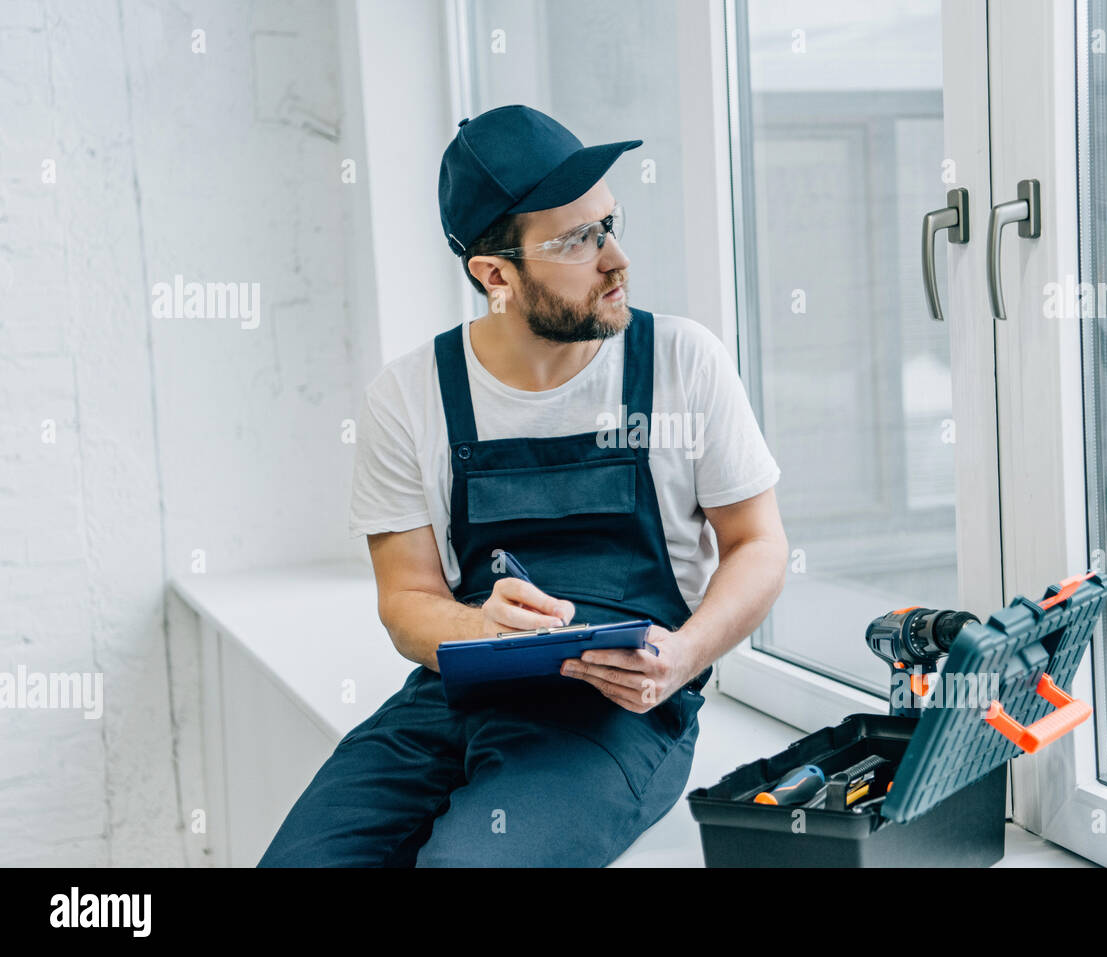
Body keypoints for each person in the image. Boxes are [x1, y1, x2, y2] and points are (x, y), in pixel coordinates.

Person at [258, 104, 788, 866]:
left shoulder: (682, 362)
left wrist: (680, 658)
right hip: (454, 698)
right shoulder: (411, 396)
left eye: (609, 224)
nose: (616, 259)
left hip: (615, 713)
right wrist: (481, 630)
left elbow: (759, 544)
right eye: (578, 240)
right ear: (496, 275)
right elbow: (405, 602)